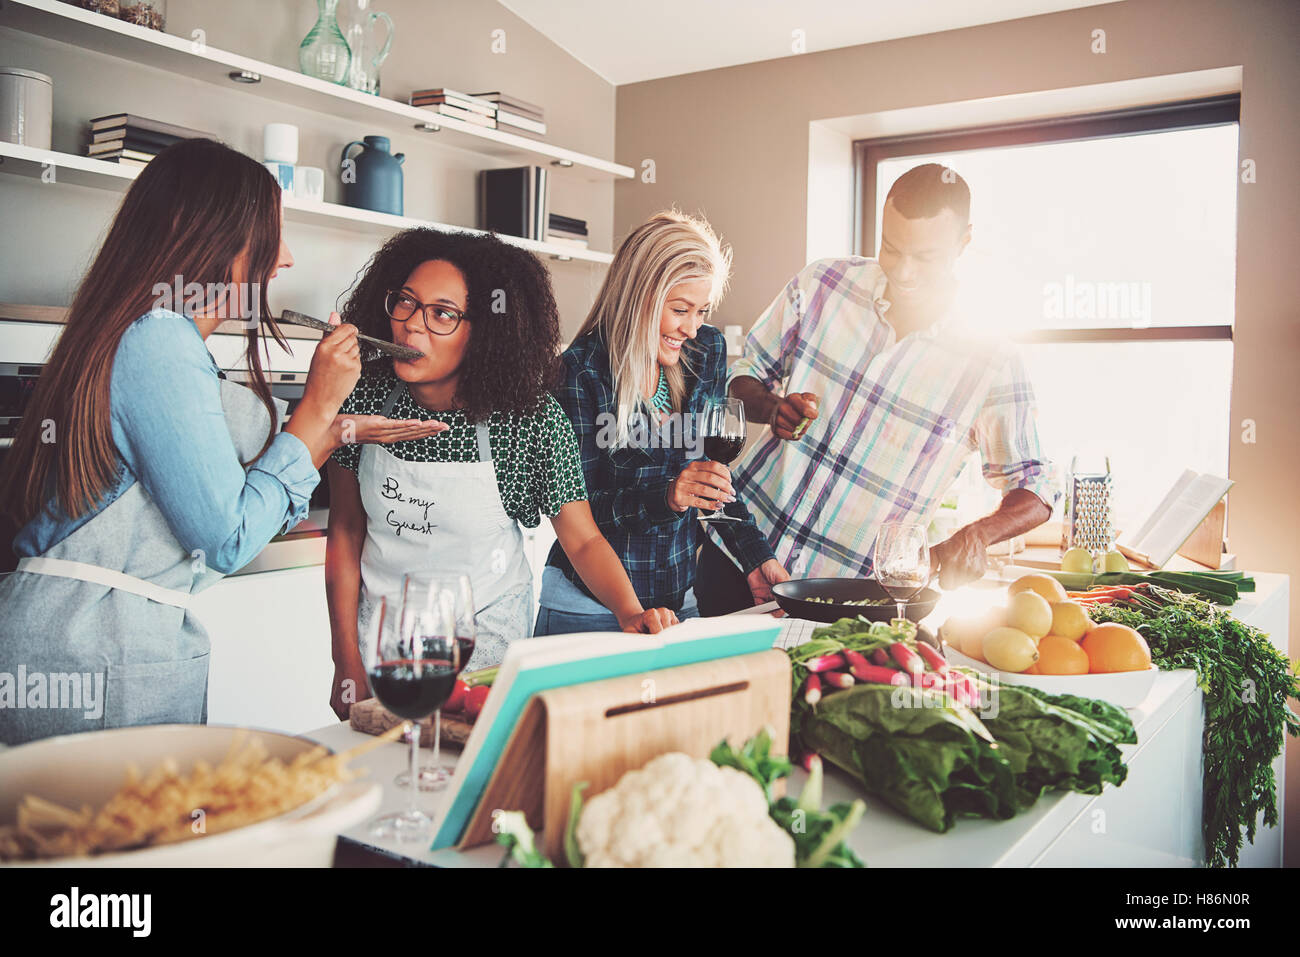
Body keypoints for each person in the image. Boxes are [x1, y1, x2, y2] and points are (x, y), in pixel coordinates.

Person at [0, 139, 431, 745]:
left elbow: (213, 478)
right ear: (213, 237)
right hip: (94, 649)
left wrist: (330, 430)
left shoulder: (150, 336)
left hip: (91, 641)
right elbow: (226, 537)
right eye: (271, 234)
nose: (285, 257)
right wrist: (318, 405)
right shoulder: (160, 341)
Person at [324, 228, 678, 717]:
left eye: (442, 314)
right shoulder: (362, 396)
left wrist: (629, 611)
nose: (411, 326)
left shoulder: (530, 422)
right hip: (385, 638)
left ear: (485, 332)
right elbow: (345, 530)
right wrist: (344, 658)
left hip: (485, 640)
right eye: (406, 302)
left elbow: (582, 540)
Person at [703, 164, 1055, 609]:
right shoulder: (824, 284)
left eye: (925, 257)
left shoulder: (992, 361)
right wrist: (773, 407)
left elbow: (1036, 484)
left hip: (852, 596)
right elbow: (740, 378)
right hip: (736, 551)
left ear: (963, 243)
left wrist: (978, 534)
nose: (903, 272)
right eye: (890, 248)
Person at [536, 210, 788, 635]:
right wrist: (667, 496)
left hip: (677, 606)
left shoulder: (705, 351)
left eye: (702, 311)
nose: (692, 328)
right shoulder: (579, 372)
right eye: (680, 309)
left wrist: (755, 557)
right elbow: (579, 514)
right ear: (639, 297)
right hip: (587, 610)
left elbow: (711, 478)